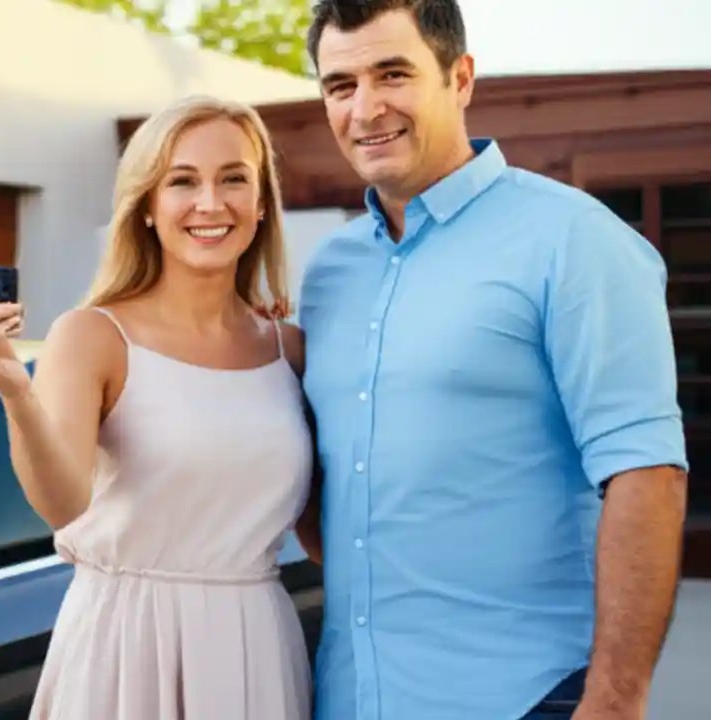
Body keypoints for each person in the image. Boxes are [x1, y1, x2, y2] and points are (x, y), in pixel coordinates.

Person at [296, 1, 690, 719]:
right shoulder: (328, 274)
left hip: (527, 698)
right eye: (340, 85)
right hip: (352, 698)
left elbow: (647, 475)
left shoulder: (573, 241)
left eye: (393, 74)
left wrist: (613, 701)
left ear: (461, 78)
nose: (366, 107)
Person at [0, 95, 316, 719]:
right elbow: (62, 503)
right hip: (125, 646)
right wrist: (16, 392)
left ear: (261, 203)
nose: (210, 202)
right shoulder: (92, 336)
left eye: (234, 178)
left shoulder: (292, 350)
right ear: (148, 206)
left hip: (254, 646)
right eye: (182, 181)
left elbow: (326, 530)